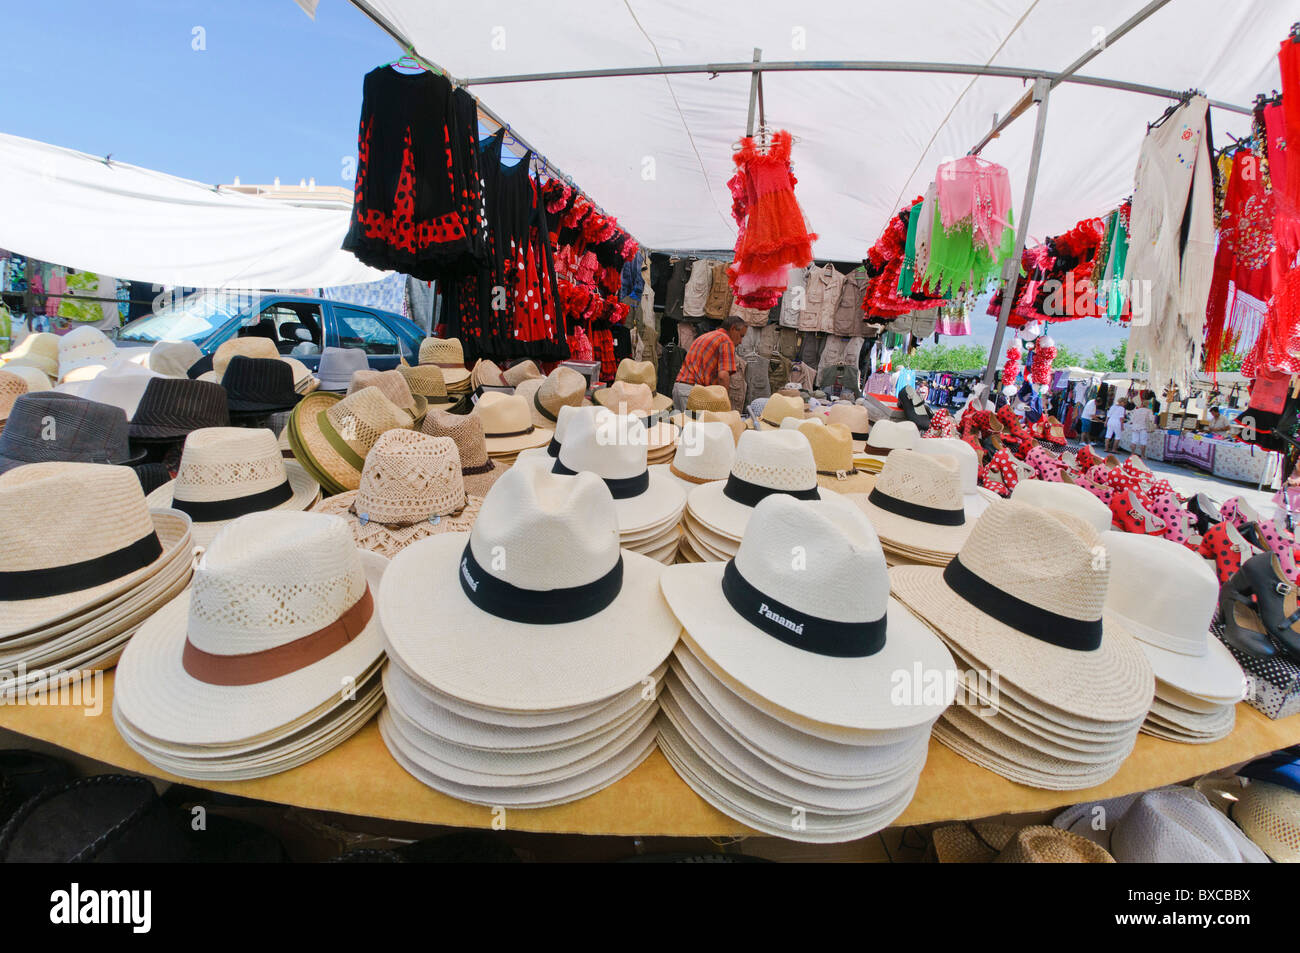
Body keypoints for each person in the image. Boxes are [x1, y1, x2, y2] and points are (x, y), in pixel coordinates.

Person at [672, 314, 746, 411]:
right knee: (695, 425)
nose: (740, 341)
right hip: (693, 393)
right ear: (732, 329)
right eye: (741, 336)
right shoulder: (726, 341)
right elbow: (723, 376)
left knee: (683, 425)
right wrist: (724, 404)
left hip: (680, 388)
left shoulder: (706, 336)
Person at [1128, 396, 1157, 462]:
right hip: (1143, 427)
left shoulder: (1136, 410)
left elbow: (1132, 419)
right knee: (1143, 441)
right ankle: (1142, 455)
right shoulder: (1149, 411)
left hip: (1135, 427)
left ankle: (1132, 453)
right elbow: (1151, 419)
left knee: (1134, 441)